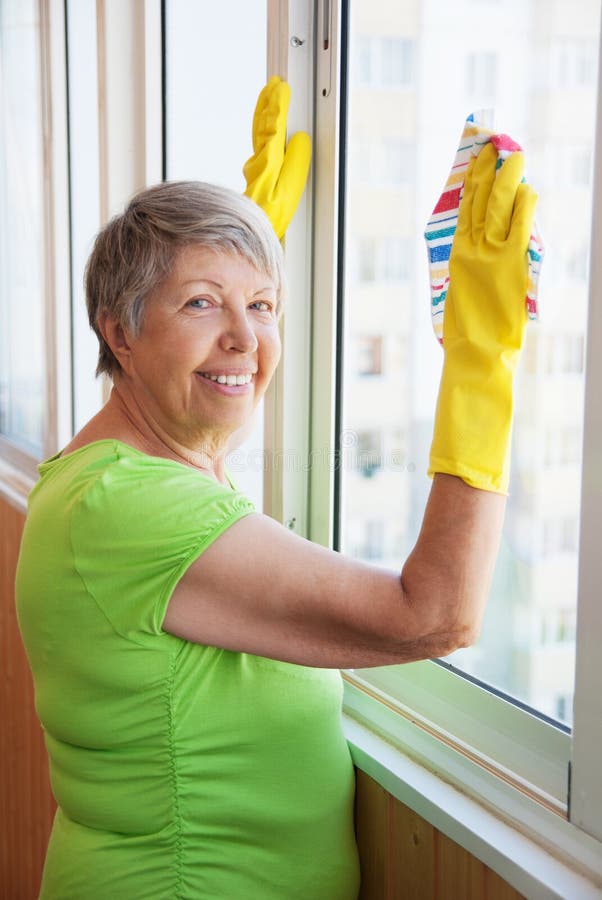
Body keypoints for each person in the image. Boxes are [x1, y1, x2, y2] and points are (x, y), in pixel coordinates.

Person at [15, 78, 537, 899]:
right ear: (119, 330)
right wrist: (482, 360)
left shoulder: (124, 469)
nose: (248, 338)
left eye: (265, 307)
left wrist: (229, 282)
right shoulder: (128, 507)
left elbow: (197, 456)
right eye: (200, 304)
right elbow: (436, 613)